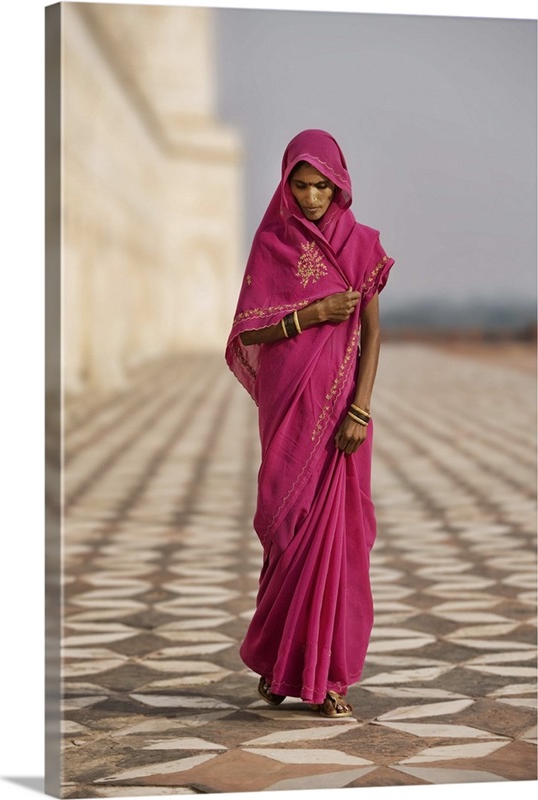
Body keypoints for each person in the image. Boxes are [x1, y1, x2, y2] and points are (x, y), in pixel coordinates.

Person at [225, 129, 394, 718]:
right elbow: (248, 330)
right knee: (287, 525)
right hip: (287, 408)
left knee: (339, 538)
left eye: (323, 185)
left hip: (342, 412)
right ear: (286, 185)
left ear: (340, 184)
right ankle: (279, 665)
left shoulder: (362, 245)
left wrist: (360, 409)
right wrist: (310, 315)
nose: (313, 197)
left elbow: (372, 335)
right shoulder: (272, 239)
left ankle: (333, 678)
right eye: (301, 185)